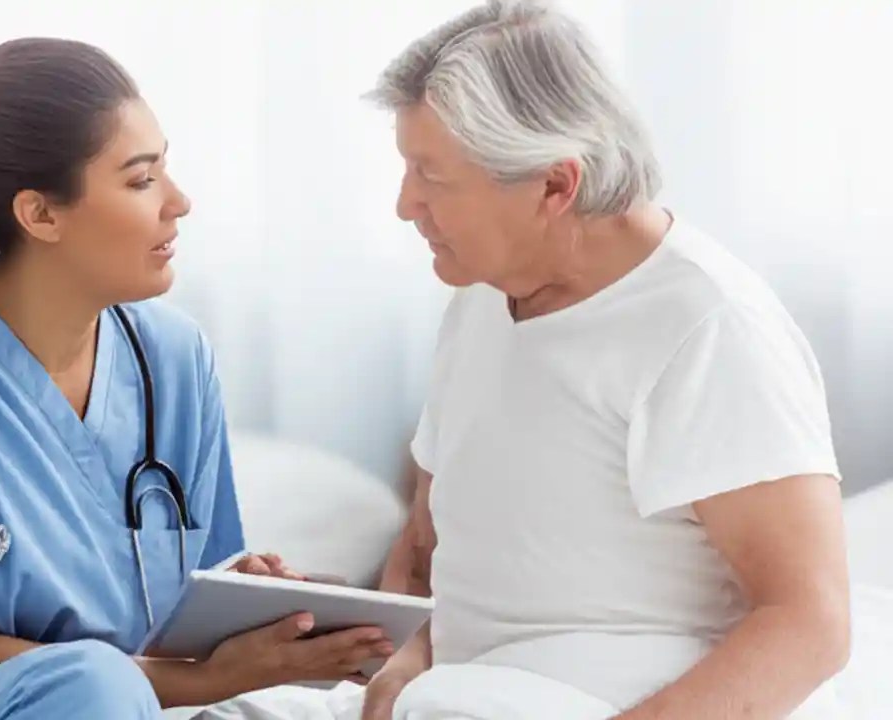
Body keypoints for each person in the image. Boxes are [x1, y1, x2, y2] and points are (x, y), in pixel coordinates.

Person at [0, 38, 393, 720]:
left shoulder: (176, 360)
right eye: (141, 179)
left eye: (167, 169)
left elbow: (186, 603)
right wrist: (210, 680)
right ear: (40, 213)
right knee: (97, 686)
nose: (179, 202)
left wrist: (247, 607)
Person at [360, 2, 850, 719]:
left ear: (557, 186)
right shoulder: (482, 297)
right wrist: (405, 664)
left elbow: (811, 625)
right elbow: (439, 557)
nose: (405, 205)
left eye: (432, 177)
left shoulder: (709, 328)